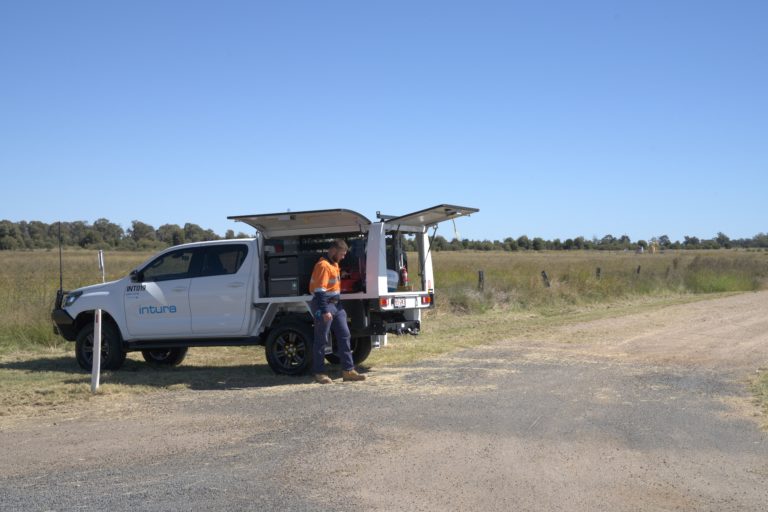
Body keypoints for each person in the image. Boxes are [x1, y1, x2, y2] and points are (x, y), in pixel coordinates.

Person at [308, 239, 366, 384]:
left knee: (345, 335)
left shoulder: (334, 264)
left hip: (337, 305)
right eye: (342, 254)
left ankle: (348, 371)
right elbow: (319, 291)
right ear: (333, 251)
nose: (343, 257)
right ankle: (319, 373)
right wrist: (325, 310)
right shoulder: (323, 266)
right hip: (325, 305)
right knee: (321, 339)